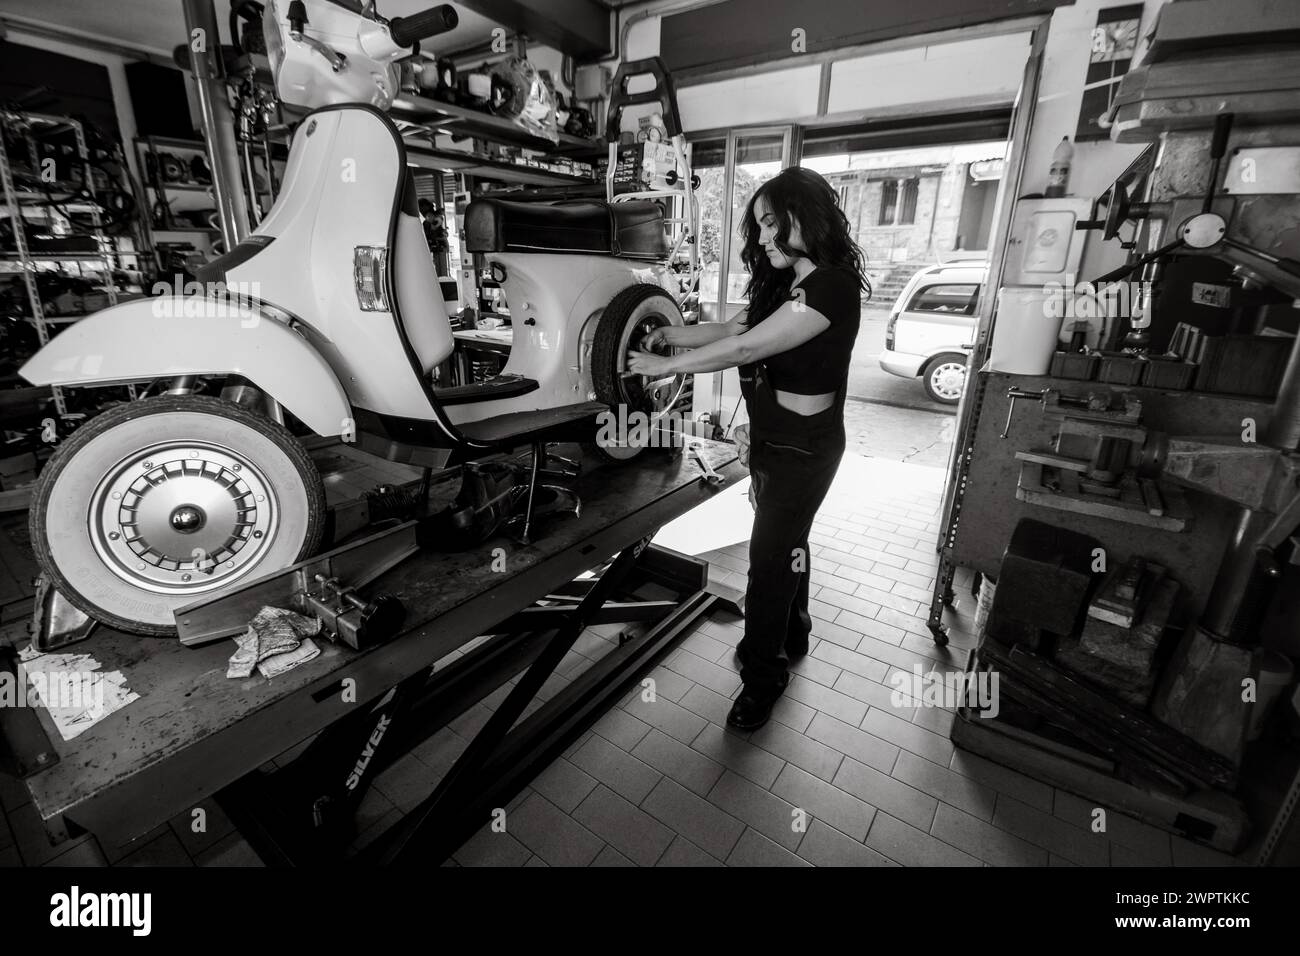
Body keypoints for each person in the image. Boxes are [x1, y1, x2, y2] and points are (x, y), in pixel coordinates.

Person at [627, 166, 869, 730]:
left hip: (802, 451)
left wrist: (666, 367)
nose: (761, 239)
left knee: (767, 562)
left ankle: (762, 678)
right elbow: (732, 329)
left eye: (768, 224)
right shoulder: (791, 285)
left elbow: (746, 349)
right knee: (790, 545)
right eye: (758, 227)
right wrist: (668, 333)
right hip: (773, 440)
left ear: (801, 217)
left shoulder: (830, 284)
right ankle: (796, 629)